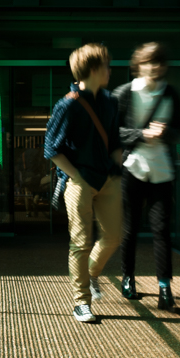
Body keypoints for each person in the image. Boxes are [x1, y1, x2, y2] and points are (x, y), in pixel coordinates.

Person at [45, 43, 123, 323]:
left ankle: (90, 274)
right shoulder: (68, 104)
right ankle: (81, 302)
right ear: (93, 70)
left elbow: (114, 139)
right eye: (106, 66)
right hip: (79, 181)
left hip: (108, 179)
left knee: (113, 237)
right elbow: (51, 148)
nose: (110, 71)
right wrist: (75, 176)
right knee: (81, 242)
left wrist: (117, 164)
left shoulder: (110, 102)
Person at [113, 42, 180, 310]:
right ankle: (128, 278)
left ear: (164, 66)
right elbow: (113, 133)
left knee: (161, 231)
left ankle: (165, 288)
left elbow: (179, 132)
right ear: (138, 65)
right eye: (147, 62)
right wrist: (143, 134)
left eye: (158, 62)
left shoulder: (171, 94)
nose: (153, 67)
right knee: (130, 228)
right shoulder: (125, 93)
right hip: (133, 167)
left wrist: (166, 133)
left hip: (163, 170)